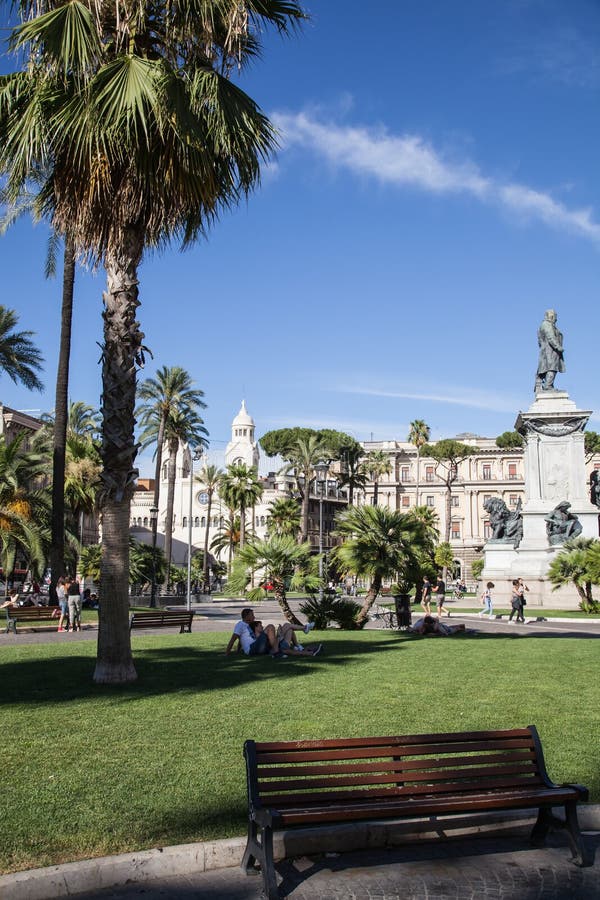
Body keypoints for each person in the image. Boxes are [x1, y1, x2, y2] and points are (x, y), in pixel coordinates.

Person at [225, 608, 319, 658]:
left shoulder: (249, 625)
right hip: (253, 649)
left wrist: (238, 651)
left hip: (259, 646)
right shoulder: (240, 624)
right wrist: (227, 653)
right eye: (252, 615)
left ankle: (304, 629)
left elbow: (241, 640)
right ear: (246, 616)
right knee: (270, 626)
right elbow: (233, 639)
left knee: (287, 627)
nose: (254, 617)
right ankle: (276, 651)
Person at [535, 309, 565, 392]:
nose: (556, 319)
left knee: (550, 367)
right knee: (552, 367)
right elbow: (550, 336)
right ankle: (548, 386)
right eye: (555, 317)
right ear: (551, 316)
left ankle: (549, 385)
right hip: (550, 351)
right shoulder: (547, 324)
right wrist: (558, 347)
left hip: (548, 350)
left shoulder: (546, 324)